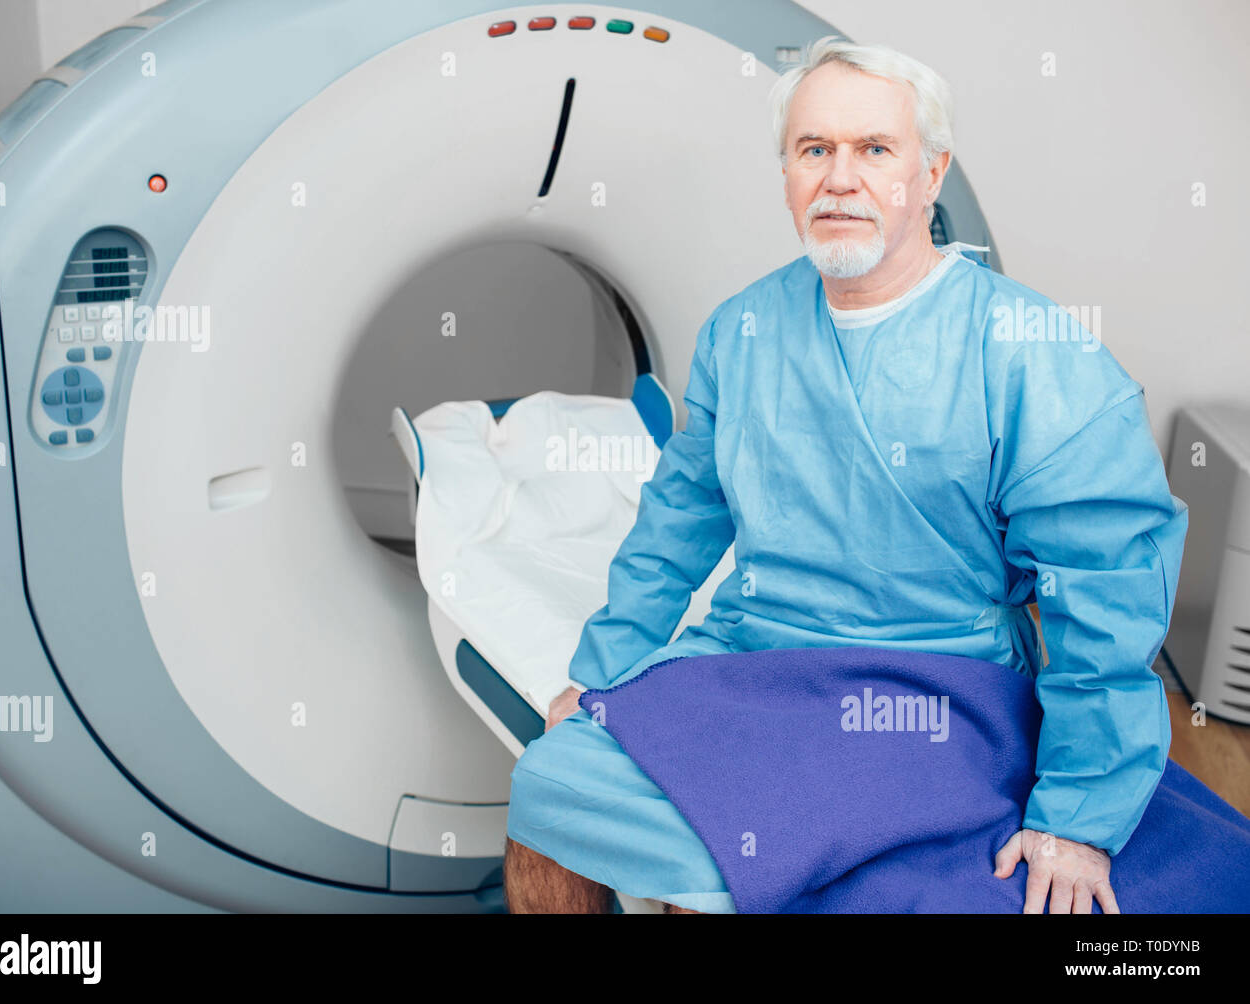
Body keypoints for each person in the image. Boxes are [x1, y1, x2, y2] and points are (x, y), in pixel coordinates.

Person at [503, 35, 1188, 915]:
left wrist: (1079, 815)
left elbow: (1106, 593)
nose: (839, 178)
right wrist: (601, 672)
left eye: (874, 149)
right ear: (787, 174)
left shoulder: (1029, 354)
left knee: (732, 855)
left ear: (930, 174)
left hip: (939, 680)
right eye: (814, 149)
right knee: (549, 787)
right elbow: (678, 520)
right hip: (757, 654)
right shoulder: (742, 332)